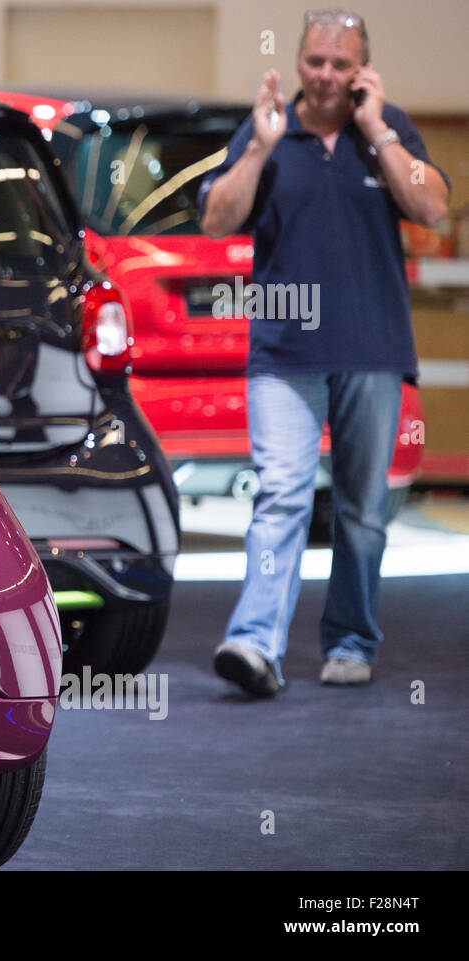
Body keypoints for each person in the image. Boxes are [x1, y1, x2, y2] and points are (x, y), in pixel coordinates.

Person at [198, 9, 449, 696]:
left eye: (342, 64)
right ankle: (254, 644)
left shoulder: (388, 126)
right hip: (284, 351)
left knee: (364, 509)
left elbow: (433, 210)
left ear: (362, 68)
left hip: (373, 345)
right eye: (317, 62)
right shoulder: (268, 127)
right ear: (300, 61)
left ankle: (350, 638)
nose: (327, 76)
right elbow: (216, 218)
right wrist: (257, 149)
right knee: (280, 496)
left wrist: (378, 133)